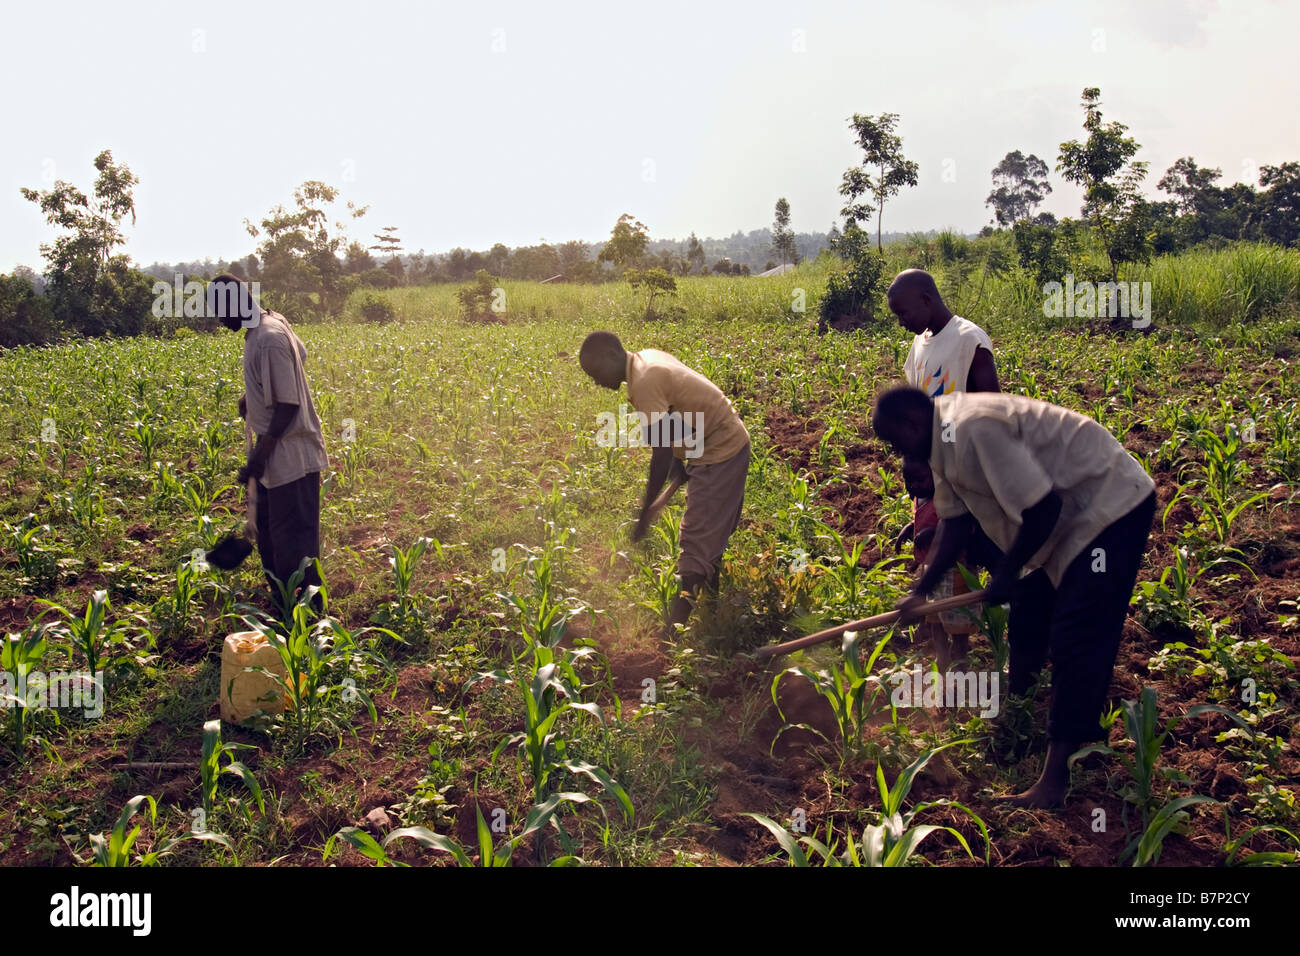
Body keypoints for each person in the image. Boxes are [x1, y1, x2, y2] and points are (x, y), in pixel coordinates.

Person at [871, 386, 1156, 808]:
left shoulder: (973, 428)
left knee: (1077, 637)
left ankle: (1055, 782)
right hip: (1066, 521)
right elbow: (953, 523)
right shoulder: (940, 439)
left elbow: (1042, 509)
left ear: (912, 424)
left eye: (896, 443)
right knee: (1029, 615)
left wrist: (1005, 573)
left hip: (1109, 507)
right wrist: (920, 591)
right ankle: (1023, 721)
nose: (899, 455)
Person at [579, 331, 751, 639]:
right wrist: (678, 465)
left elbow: (659, 451)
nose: (596, 383)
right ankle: (712, 615)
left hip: (719, 450)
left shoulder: (644, 381)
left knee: (697, 539)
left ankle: (672, 635)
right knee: (708, 535)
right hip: (712, 442)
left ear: (610, 356)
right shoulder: (645, 360)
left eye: (595, 374)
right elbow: (675, 416)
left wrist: (644, 510)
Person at [889, 268, 1000, 666]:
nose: (902, 323)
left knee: (954, 567)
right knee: (930, 560)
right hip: (931, 477)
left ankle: (958, 656)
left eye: (904, 313)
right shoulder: (918, 347)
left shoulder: (969, 342)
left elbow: (991, 415)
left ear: (926, 299)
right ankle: (943, 655)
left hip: (962, 477)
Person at [207, 275, 329, 613]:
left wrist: (260, 457)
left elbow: (288, 406)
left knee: (294, 545)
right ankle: (282, 605)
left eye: (220, 311)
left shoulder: (269, 338)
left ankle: (308, 619)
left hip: (289, 455)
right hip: (273, 455)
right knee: (270, 538)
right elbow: (298, 357)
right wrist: (255, 395)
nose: (219, 320)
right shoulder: (270, 322)